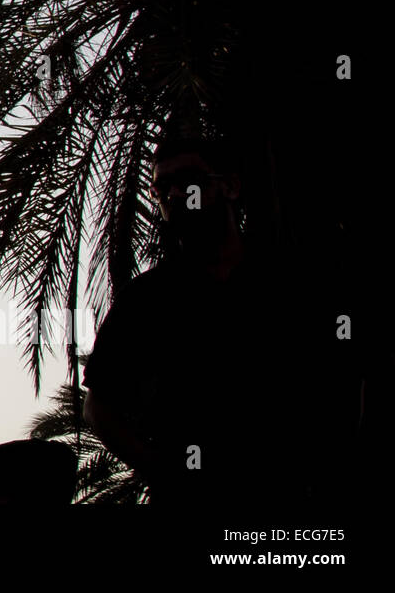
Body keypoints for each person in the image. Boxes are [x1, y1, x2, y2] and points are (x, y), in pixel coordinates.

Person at [83, 136, 363, 505]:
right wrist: (165, 471)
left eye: (188, 180)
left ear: (230, 186)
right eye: (161, 187)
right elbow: (99, 406)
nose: (174, 194)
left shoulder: (297, 278)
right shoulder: (146, 298)